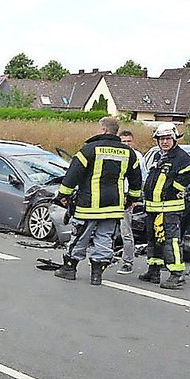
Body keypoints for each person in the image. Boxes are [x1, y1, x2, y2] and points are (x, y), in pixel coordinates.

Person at [53, 116, 142, 285]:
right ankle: (96, 275)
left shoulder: (89, 150)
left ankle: (69, 268)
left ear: (103, 130)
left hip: (89, 205)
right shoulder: (128, 153)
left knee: (80, 237)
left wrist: (63, 196)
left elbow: (72, 175)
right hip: (114, 206)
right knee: (105, 239)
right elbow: (136, 180)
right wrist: (132, 199)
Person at [140, 122, 190, 289]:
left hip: (169, 209)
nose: (165, 142)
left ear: (174, 139)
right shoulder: (160, 156)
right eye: (161, 139)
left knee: (171, 241)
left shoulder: (180, 157)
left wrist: (176, 188)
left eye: (168, 138)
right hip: (154, 208)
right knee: (153, 240)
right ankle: (154, 270)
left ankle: (176, 274)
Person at [115, 129, 141, 274]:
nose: (126, 144)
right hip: (114, 196)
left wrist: (134, 199)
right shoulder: (116, 154)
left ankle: (128, 262)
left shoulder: (137, 157)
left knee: (126, 232)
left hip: (127, 197)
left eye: (128, 141)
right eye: (123, 141)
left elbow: (139, 179)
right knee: (108, 231)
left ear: (133, 141)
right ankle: (105, 257)